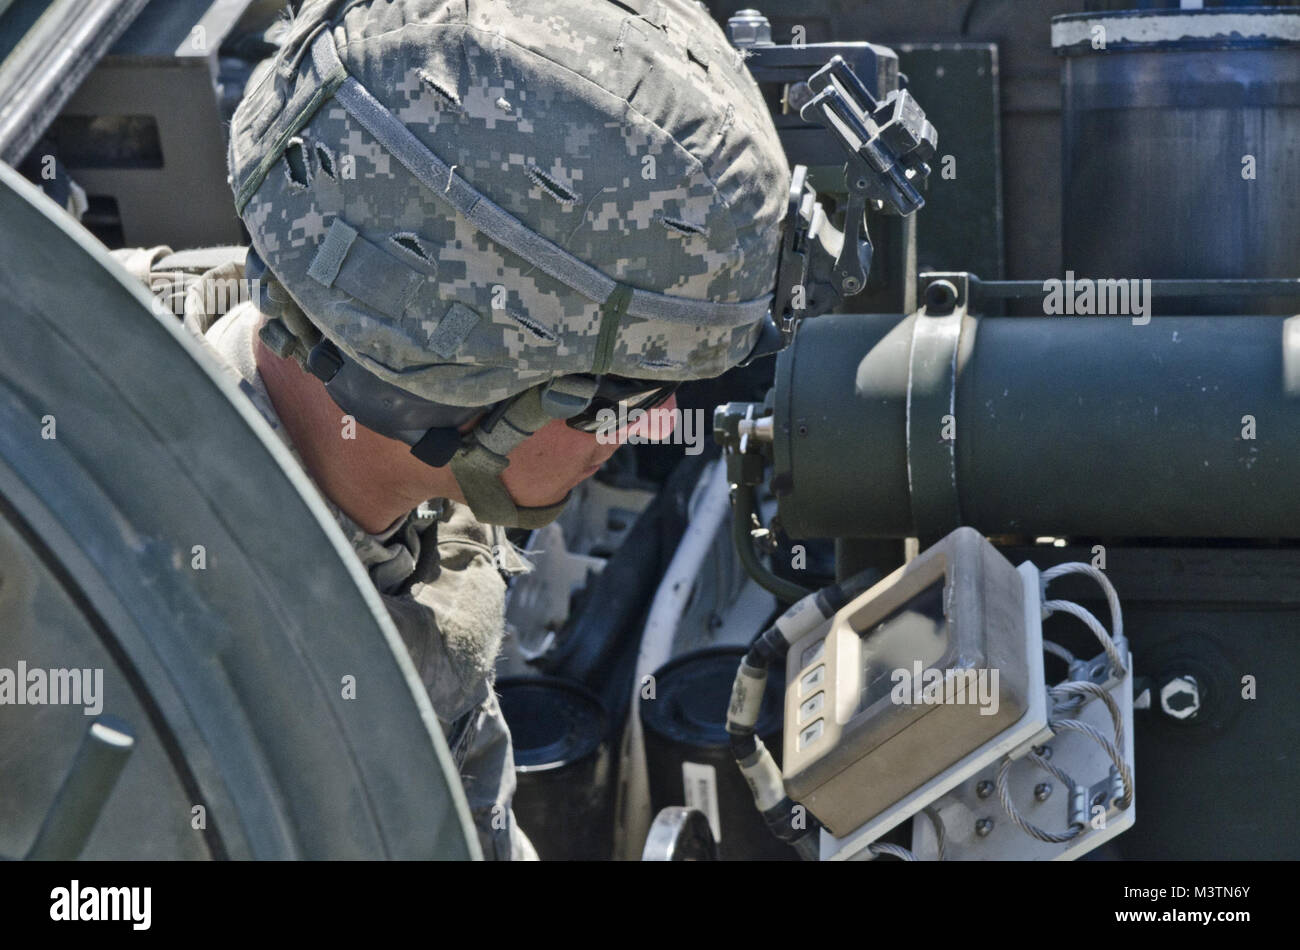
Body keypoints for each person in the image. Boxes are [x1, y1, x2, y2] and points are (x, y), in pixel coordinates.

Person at [182, 0, 788, 859]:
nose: (653, 423)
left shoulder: (322, 360)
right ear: (446, 386)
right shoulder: (238, 714)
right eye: (621, 398)